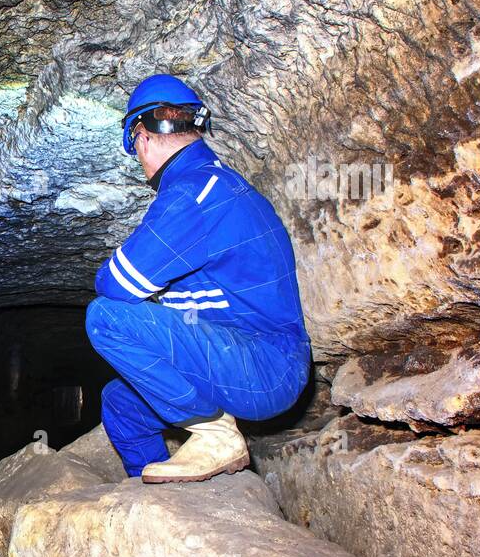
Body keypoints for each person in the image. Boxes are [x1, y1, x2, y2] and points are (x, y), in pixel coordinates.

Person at [85, 74, 311, 483]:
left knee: (106, 317)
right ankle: (155, 494)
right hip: (244, 359)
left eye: (136, 148)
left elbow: (116, 283)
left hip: (264, 366)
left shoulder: (195, 192)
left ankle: (213, 433)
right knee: (119, 402)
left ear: (142, 137)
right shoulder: (216, 184)